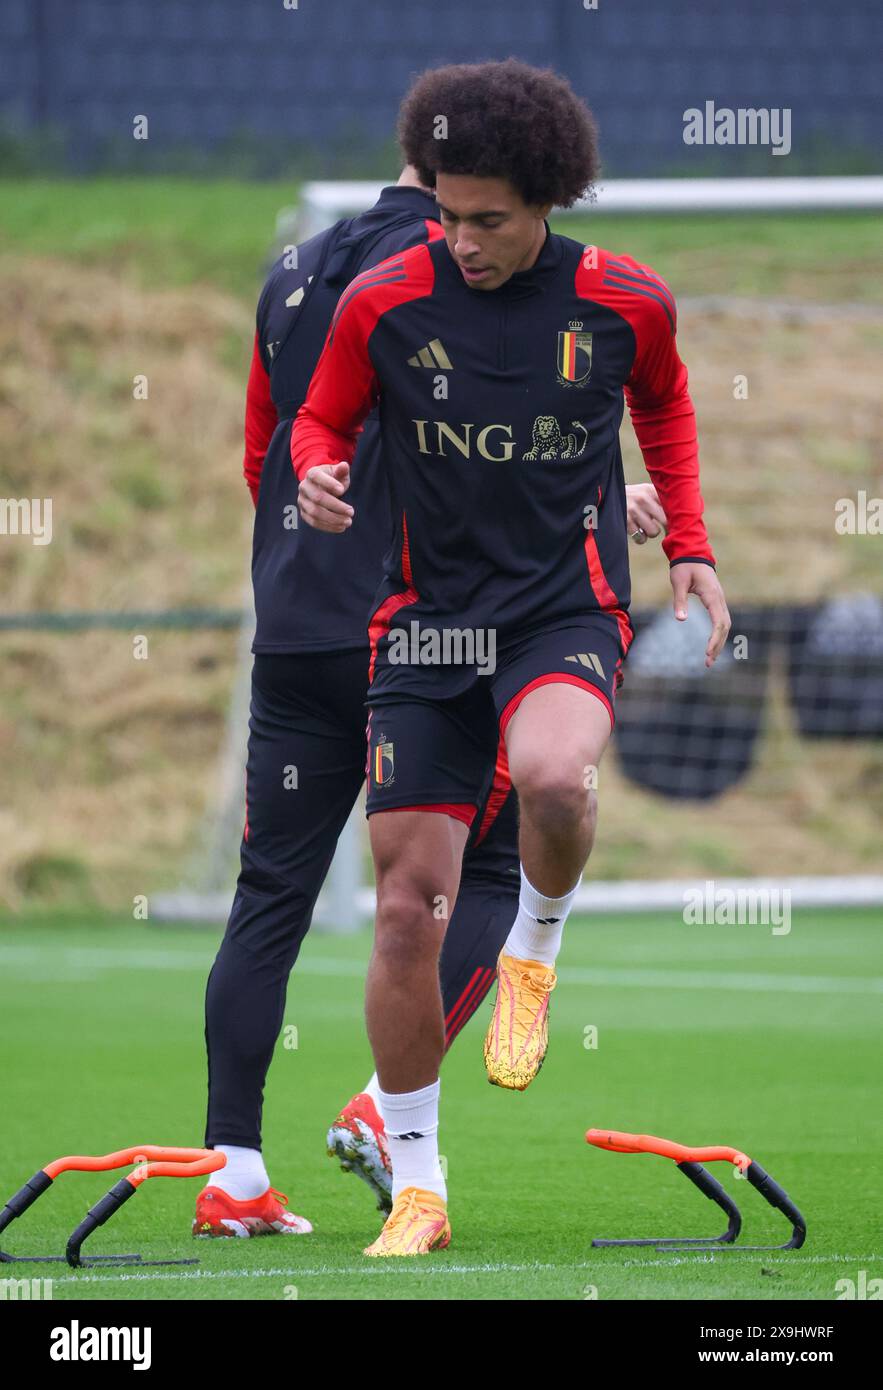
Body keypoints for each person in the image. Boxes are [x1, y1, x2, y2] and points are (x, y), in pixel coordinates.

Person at [292, 58, 731, 1257]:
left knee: (550, 777)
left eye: (487, 218)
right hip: (423, 627)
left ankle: (535, 944)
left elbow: (668, 408)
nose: (464, 239)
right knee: (402, 913)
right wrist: (317, 474)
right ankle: (420, 1185)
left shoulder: (623, 301)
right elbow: (320, 419)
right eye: (446, 213)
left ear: (547, 197)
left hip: (561, 614)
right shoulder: (381, 302)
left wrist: (688, 544)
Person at [194, 162, 670, 1240]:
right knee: (485, 869)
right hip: (421, 621)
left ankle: (232, 1168)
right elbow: (495, 444)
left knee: (270, 896)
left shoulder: (292, 273)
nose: (467, 233)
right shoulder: (447, 275)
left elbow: (265, 453)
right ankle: (391, 1100)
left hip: (295, 618)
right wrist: (601, 494)